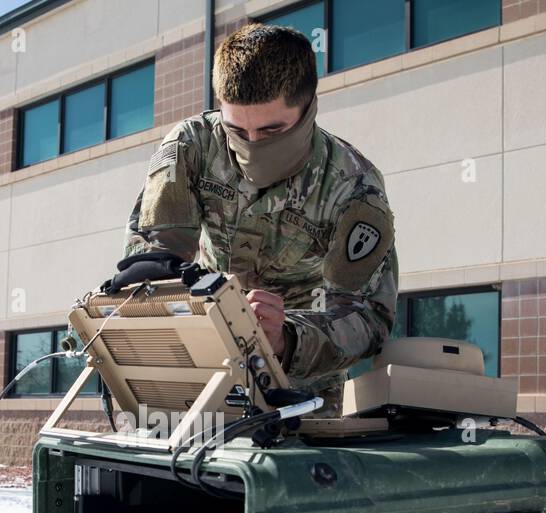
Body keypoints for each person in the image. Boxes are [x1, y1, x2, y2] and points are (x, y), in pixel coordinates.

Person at [124, 22, 398, 413]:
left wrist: (287, 337)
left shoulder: (354, 187)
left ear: (308, 108)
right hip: (202, 371)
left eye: (272, 130)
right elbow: (152, 257)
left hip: (301, 389)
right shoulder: (193, 145)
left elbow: (368, 319)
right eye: (237, 130)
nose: (252, 145)